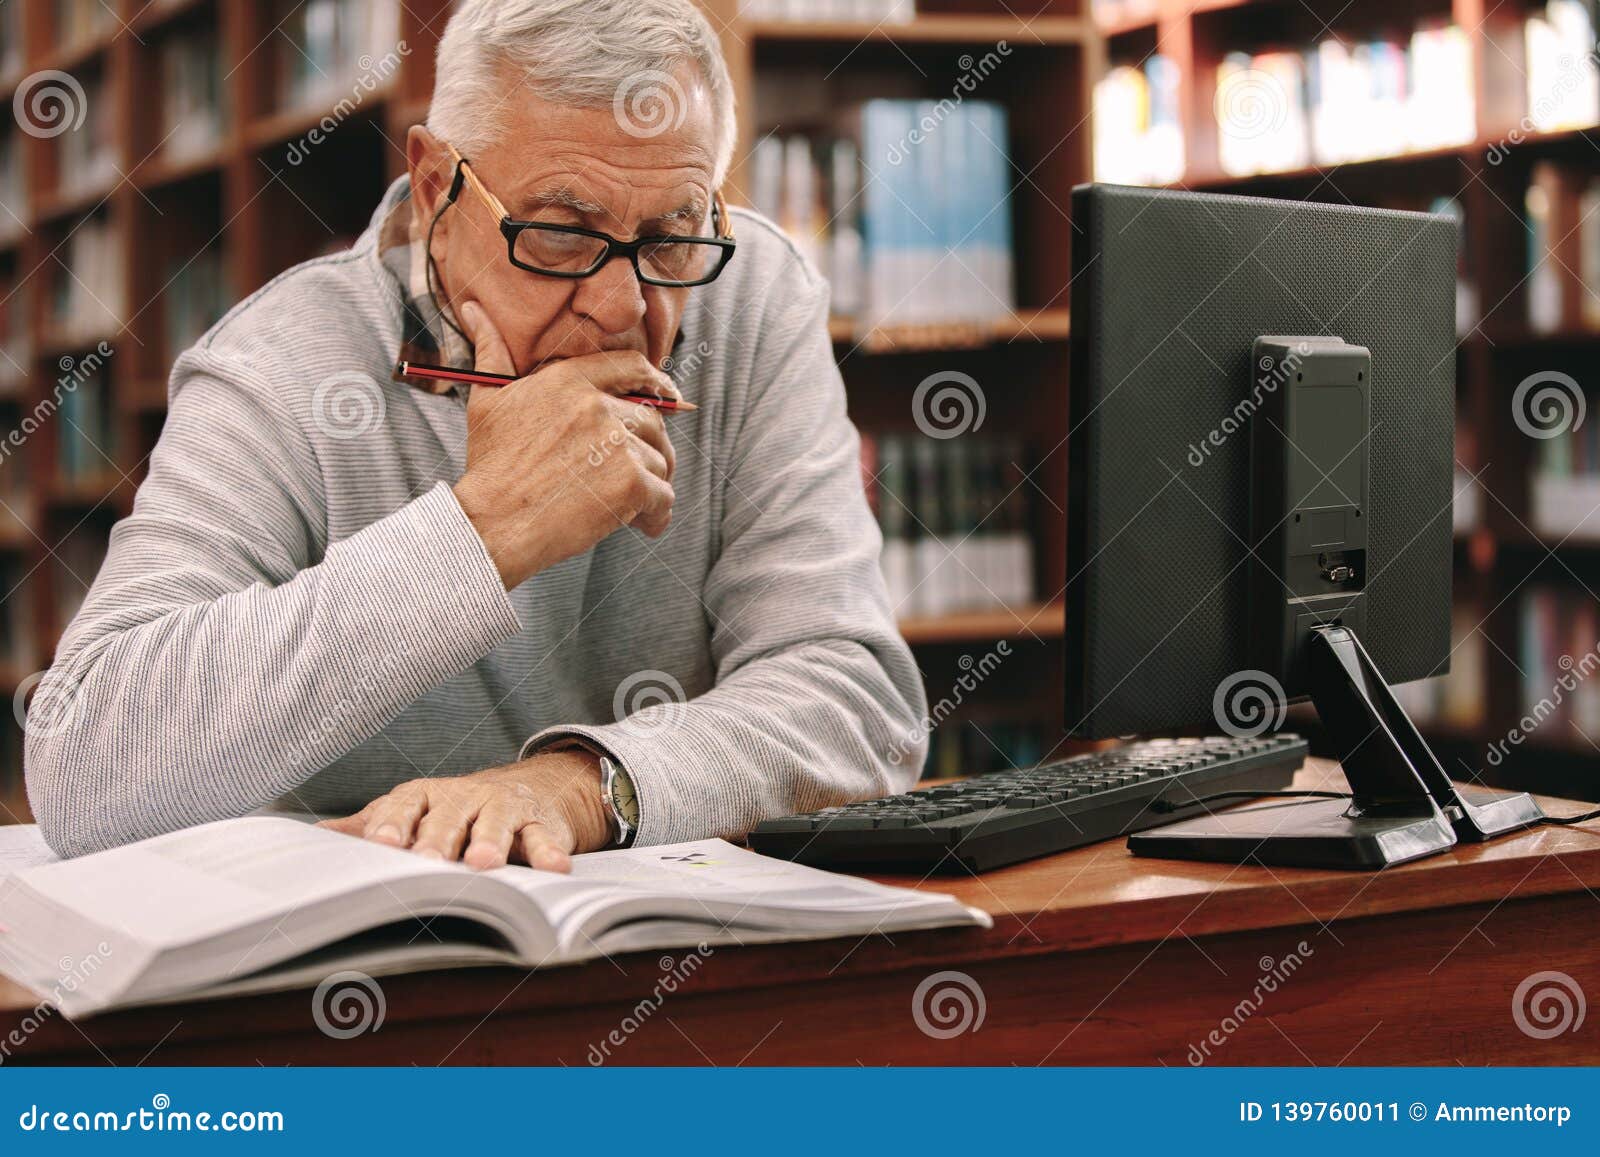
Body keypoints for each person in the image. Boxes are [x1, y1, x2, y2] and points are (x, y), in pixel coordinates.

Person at [23, 0, 926, 868]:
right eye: (562, 235)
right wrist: (486, 529)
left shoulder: (752, 296)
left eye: (669, 237)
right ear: (434, 190)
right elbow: (84, 767)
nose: (620, 306)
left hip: (678, 961)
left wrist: (579, 790)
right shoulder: (279, 365)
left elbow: (853, 698)